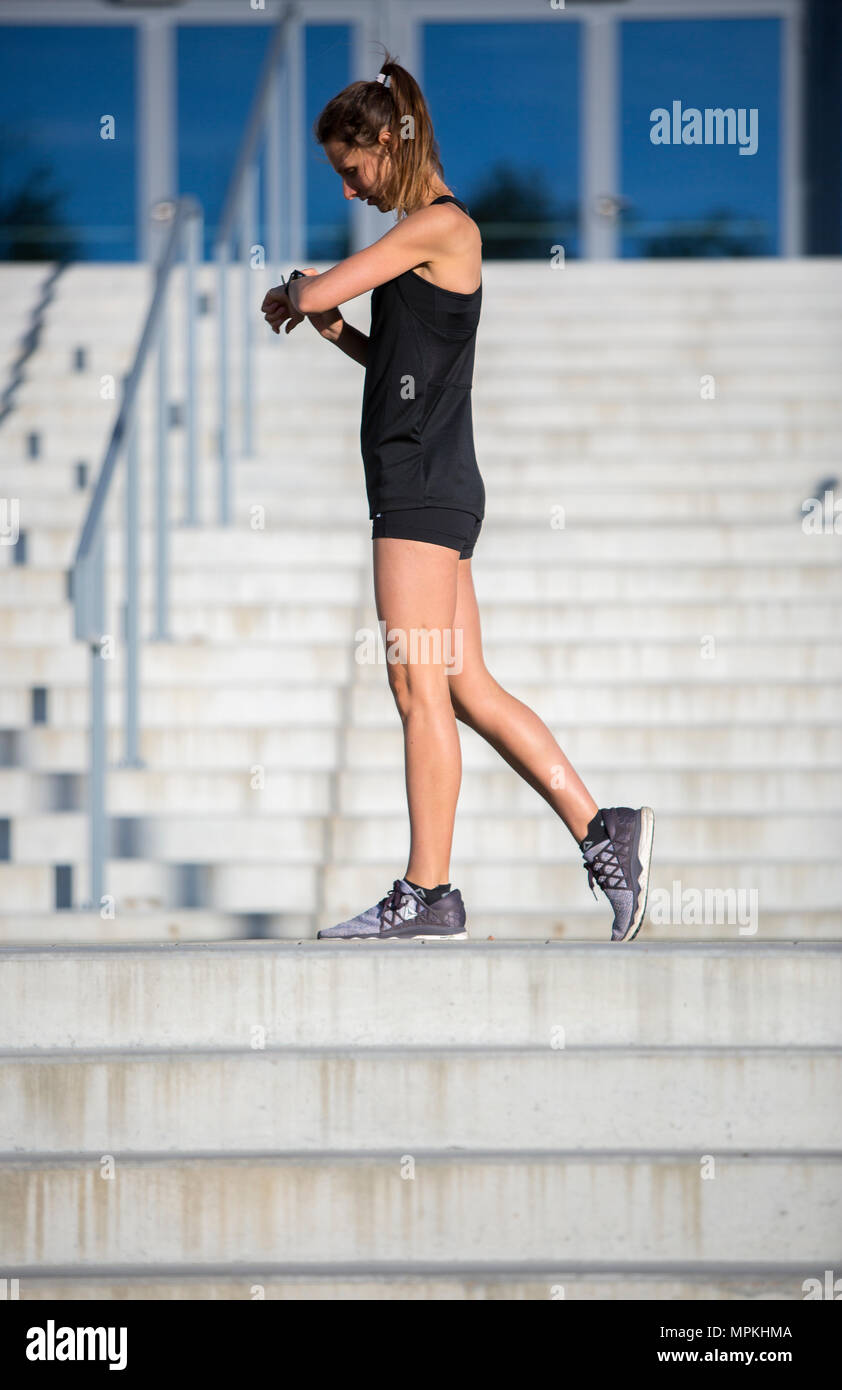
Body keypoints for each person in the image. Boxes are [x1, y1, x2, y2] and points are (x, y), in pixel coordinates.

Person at [261, 53, 653, 944]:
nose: (351, 190)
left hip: (422, 491)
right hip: (430, 481)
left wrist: (296, 296)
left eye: (351, 170)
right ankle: (605, 832)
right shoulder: (420, 242)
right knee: (465, 686)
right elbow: (396, 367)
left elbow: (319, 282)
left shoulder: (440, 227)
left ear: (383, 147)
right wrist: (336, 336)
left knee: (416, 687)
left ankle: (429, 893)